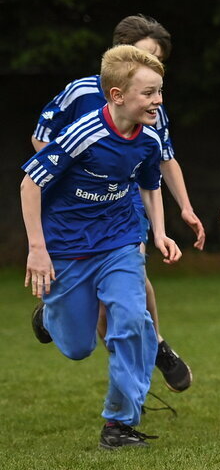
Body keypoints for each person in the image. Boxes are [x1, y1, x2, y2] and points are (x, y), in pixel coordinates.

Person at [21, 44, 182, 449]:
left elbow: (149, 183)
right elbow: (31, 183)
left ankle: (118, 425)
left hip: (120, 240)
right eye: (148, 93)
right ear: (117, 96)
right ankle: (51, 316)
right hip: (68, 246)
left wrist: (159, 232)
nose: (158, 101)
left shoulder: (150, 134)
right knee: (77, 348)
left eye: (160, 91)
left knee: (130, 320)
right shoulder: (84, 132)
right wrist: (37, 249)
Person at [30, 15, 201, 393]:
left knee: (131, 279)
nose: (150, 69)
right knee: (93, 319)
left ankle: (151, 348)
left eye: (157, 61)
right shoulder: (80, 94)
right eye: (143, 58)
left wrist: (183, 208)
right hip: (76, 213)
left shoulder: (152, 108)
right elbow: (42, 140)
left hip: (123, 207)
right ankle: (61, 313)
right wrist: (77, 179)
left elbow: (163, 161)